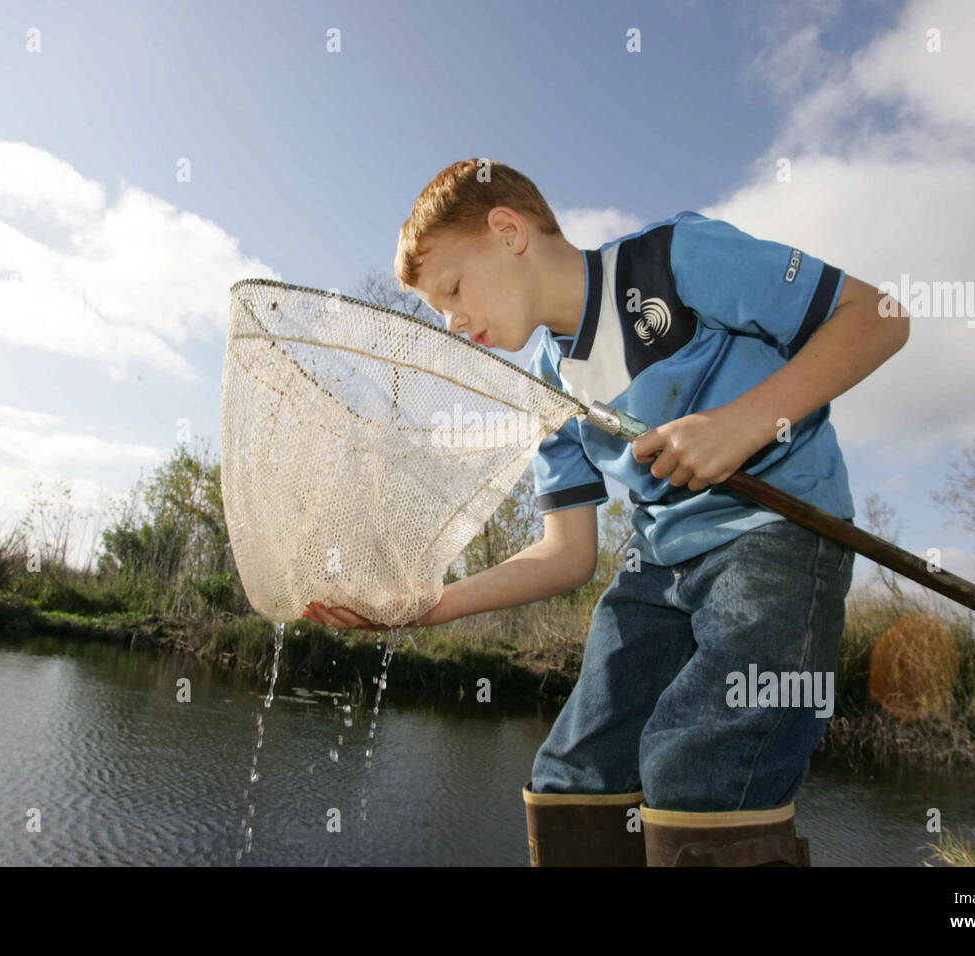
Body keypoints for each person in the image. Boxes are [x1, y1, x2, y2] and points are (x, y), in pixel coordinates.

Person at [304, 159, 909, 866]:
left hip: (777, 539)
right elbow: (567, 553)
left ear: (508, 230)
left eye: (454, 290)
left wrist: (743, 424)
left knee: (697, 773)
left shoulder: (672, 259)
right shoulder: (545, 390)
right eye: (440, 311)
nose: (454, 323)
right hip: (658, 569)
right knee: (574, 780)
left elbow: (879, 318)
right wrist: (426, 606)